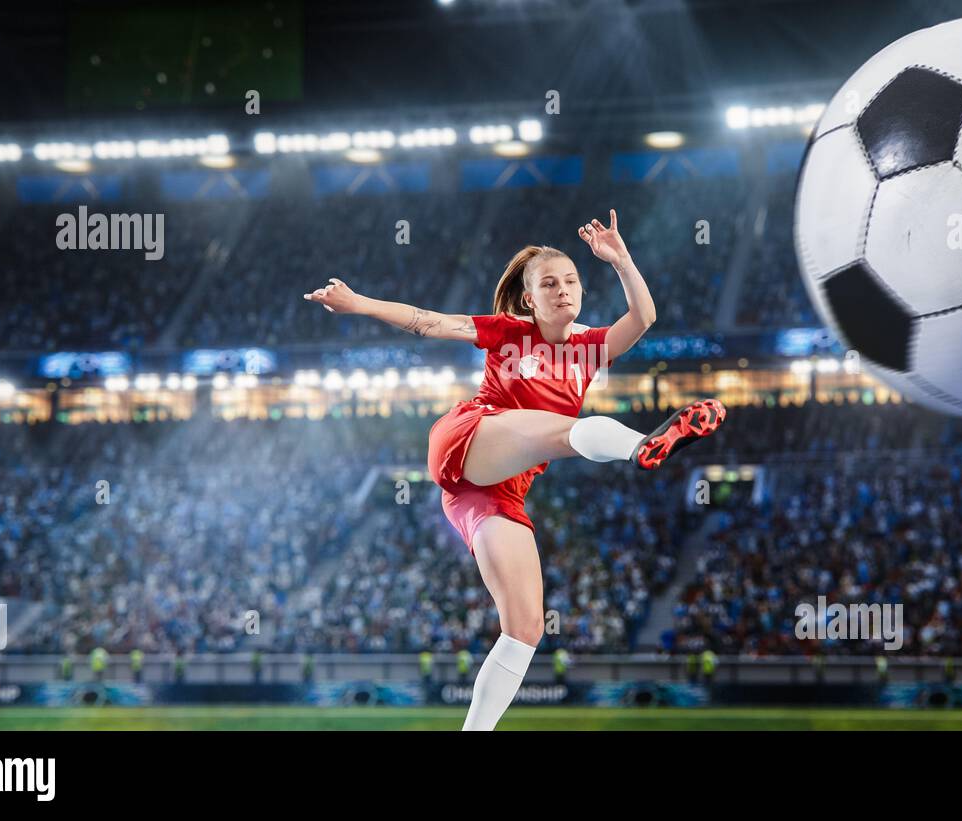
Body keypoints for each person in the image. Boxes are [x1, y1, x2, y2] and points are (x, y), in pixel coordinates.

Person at [305, 210, 727, 730]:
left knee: (525, 627)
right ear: (530, 298)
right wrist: (356, 302)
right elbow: (428, 320)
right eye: (549, 283)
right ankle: (644, 447)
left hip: (491, 494)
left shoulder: (590, 348)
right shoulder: (509, 331)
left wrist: (621, 261)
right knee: (559, 429)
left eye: (570, 280)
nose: (562, 290)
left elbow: (643, 318)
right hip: (470, 438)